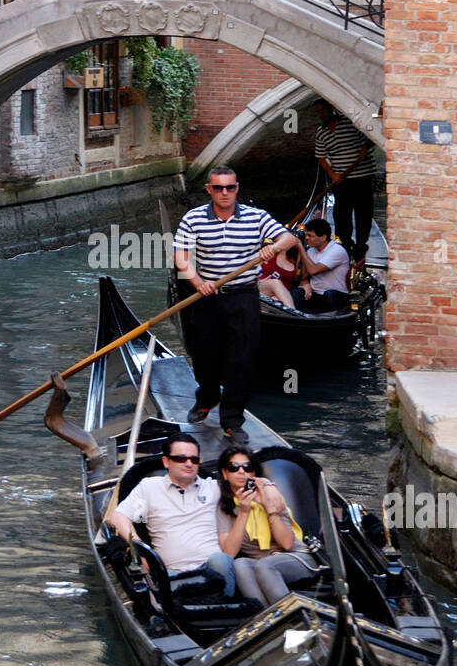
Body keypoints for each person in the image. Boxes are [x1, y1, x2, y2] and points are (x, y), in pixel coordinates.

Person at [173, 165, 294, 448]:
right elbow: (181, 257)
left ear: (237, 188)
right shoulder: (193, 218)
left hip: (244, 297)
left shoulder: (256, 217)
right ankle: (207, 397)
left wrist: (275, 247)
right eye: (218, 188)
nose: (224, 192)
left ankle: (232, 421)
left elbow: (289, 238)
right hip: (208, 296)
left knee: (241, 361)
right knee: (203, 356)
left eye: (230, 187)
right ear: (209, 190)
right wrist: (198, 281)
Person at [110, 434, 237, 596]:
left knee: (222, 560)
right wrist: (139, 548)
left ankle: (225, 607)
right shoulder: (150, 488)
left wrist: (267, 486)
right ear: (166, 462)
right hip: (169, 571)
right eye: (180, 459)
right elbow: (119, 517)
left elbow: (247, 483)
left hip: (212, 567)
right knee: (161, 583)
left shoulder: (213, 487)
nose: (188, 463)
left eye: (194, 459)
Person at [215, 448, 318, 606]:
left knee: (265, 565)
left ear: (253, 473)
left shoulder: (270, 496)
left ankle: (294, 618)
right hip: (260, 562)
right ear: (225, 473)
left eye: (247, 467)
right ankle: (267, 618)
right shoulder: (225, 507)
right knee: (239, 564)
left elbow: (287, 543)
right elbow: (229, 552)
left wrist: (269, 508)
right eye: (234, 467)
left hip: (296, 557)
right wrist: (244, 512)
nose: (241, 471)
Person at [313, 98, 375, 262]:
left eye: (323, 110)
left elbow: (373, 134)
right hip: (341, 180)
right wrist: (333, 175)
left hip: (362, 176)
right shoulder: (321, 132)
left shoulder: (351, 122)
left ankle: (361, 244)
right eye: (318, 112)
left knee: (364, 213)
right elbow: (321, 157)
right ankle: (346, 244)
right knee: (341, 214)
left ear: (331, 108)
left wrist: (365, 148)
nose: (321, 114)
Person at [289, 218, 351, 312]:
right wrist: (305, 283)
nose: (306, 238)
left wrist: (301, 249)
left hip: (337, 295)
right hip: (316, 294)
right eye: (306, 235)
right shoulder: (310, 251)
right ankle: (301, 317)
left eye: (310, 236)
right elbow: (301, 276)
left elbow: (313, 271)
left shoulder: (337, 250)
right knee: (296, 293)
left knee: (329, 294)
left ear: (323, 237)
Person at [258, 239, 300, 309]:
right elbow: (252, 273)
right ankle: (294, 313)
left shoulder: (296, 261)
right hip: (261, 287)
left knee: (276, 300)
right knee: (275, 282)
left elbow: (303, 279)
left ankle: (291, 315)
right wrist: (259, 281)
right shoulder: (268, 253)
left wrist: (300, 246)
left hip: (281, 295)